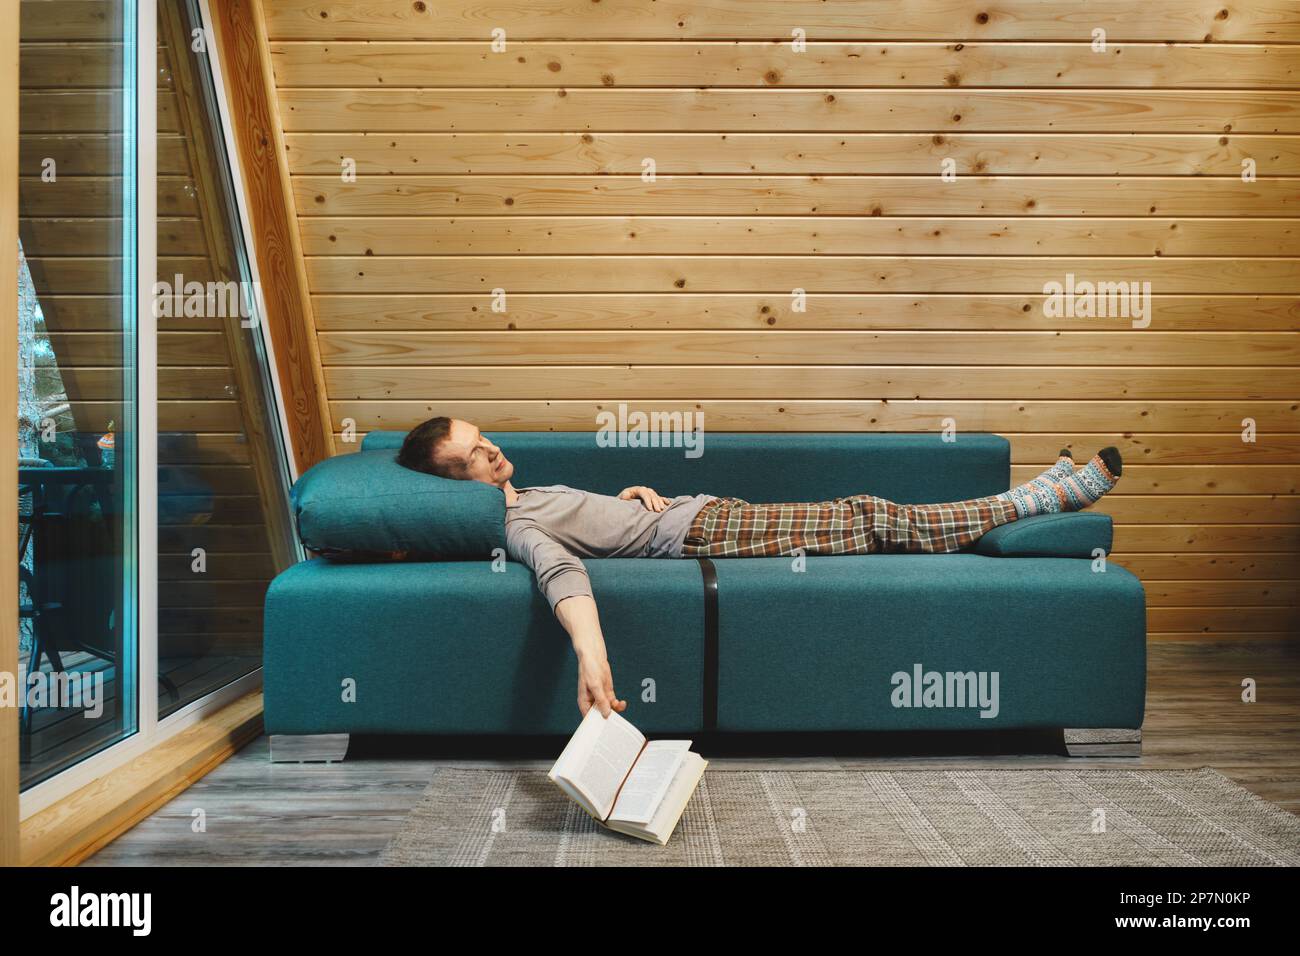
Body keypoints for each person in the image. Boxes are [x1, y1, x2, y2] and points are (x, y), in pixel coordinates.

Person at [396, 417, 1123, 720]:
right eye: (473, 456)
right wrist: (591, 651)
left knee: (866, 518)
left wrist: (629, 500)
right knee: (871, 516)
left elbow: (588, 528)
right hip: (707, 533)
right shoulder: (513, 523)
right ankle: (1040, 497)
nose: (490, 450)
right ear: (454, 485)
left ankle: (1025, 498)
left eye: (484, 437)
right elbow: (560, 574)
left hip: (698, 512)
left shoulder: (527, 494)